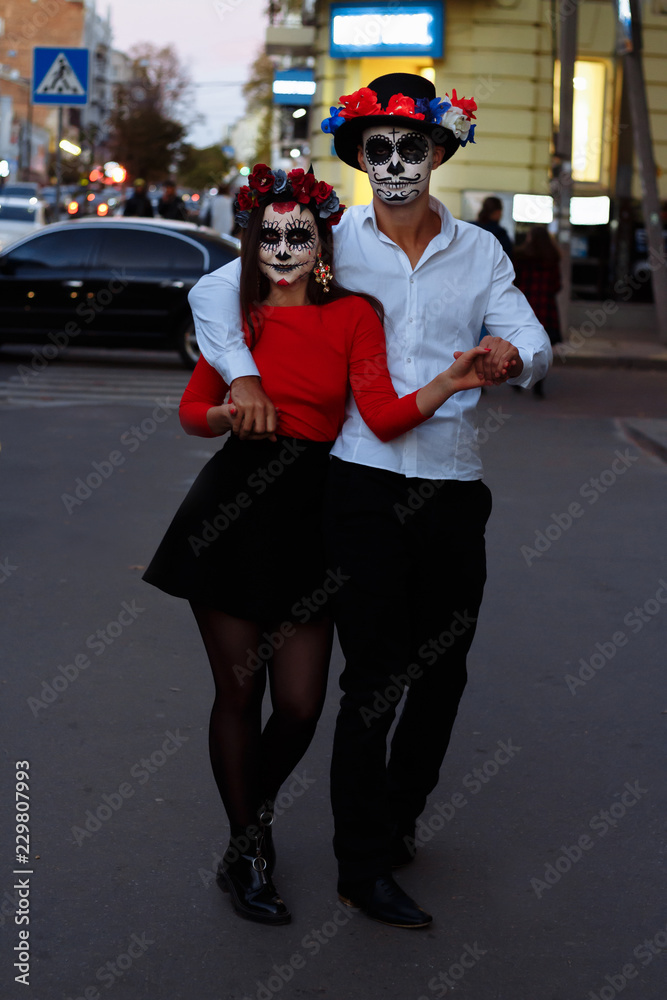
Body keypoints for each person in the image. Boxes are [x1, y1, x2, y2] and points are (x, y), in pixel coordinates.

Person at [188, 73, 552, 929]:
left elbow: (531, 336)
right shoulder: (331, 240)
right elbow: (215, 291)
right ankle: (361, 864)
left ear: (438, 153)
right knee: (376, 678)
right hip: (359, 482)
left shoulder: (481, 252)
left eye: (412, 147)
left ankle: (396, 814)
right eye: (377, 148)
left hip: (455, 485)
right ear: (357, 159)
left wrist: (512, 356)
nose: (395, 163)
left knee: (445, 674)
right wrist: (241, 377)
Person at [143, 163, 494, 927]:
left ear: (320, 242)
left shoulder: (352, 317)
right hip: (231, 515)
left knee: (299, 704)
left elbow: (385, 412)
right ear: (250, 240)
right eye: (266, 234)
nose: (280, 246)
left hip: (317, 514)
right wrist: (228, 414)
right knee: (239, 693)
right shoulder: (234, 319)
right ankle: (249, 849)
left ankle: (248, 824)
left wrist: (451, 381)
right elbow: (190, 409)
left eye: (295, 233)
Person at [512, 226, 562, 396]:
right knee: (542, 345)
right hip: (545, 305)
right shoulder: (552, 257)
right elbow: (557, 285)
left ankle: (518, 378)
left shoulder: (521, 255)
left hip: (525, 304)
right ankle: (538, 386)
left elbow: (514, 281)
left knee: (520, 343)